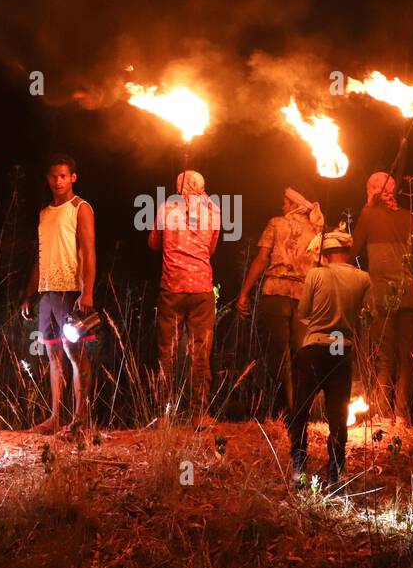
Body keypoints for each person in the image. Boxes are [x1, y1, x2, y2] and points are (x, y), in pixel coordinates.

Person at [288, 229, 372, 487]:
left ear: (326, 253)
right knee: (337, 415)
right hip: (341, 351)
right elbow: (369, 316)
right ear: (347, 252)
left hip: (315, 346)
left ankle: (299, 464)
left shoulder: (315, 274)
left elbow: (303, 313)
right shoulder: (363, 278)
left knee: (301, 410)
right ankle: (335, 471)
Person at [19, 155, 95, 433]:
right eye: (53, 176)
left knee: (75, 353)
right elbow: (41, 257)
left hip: (71, 291)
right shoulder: (44, 213)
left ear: (73, 177)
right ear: (48, 179)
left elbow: (89, 251)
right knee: (52, 354)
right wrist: (30, 294)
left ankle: (80, 420)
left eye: (64, 176)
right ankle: (55, 417)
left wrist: (87, 292)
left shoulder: (81, 208)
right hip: (47, 292)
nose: (58, 181)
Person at [236, 187, 324, 418]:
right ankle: (303, 410)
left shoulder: (276, 223)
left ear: (293, 205)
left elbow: (261, 260)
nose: (282, 207)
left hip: (275, 292)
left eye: (284, 203)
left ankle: (284, 409)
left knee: (278, 353)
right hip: (305, 296)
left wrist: (244, 292)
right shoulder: (317, 229)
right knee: (302, 352)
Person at [148, 170, 220, 415]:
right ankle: (199, 414)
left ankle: (164, 413)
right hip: (201, 289)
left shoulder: (167, 208)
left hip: (172, 288)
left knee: (167, 353)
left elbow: (154, 244)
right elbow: (211, 249)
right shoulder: (213, 210)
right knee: (201, 353)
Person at [353, 172, 413, 424]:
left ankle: (382, 413)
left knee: (384, 359)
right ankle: (401, 414)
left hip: (382, 295)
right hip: (409, 293)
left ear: (372, 190)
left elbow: (353, 249)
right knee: (406, 358)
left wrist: (367, 207)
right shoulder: (410, 217)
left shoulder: (369, 215)